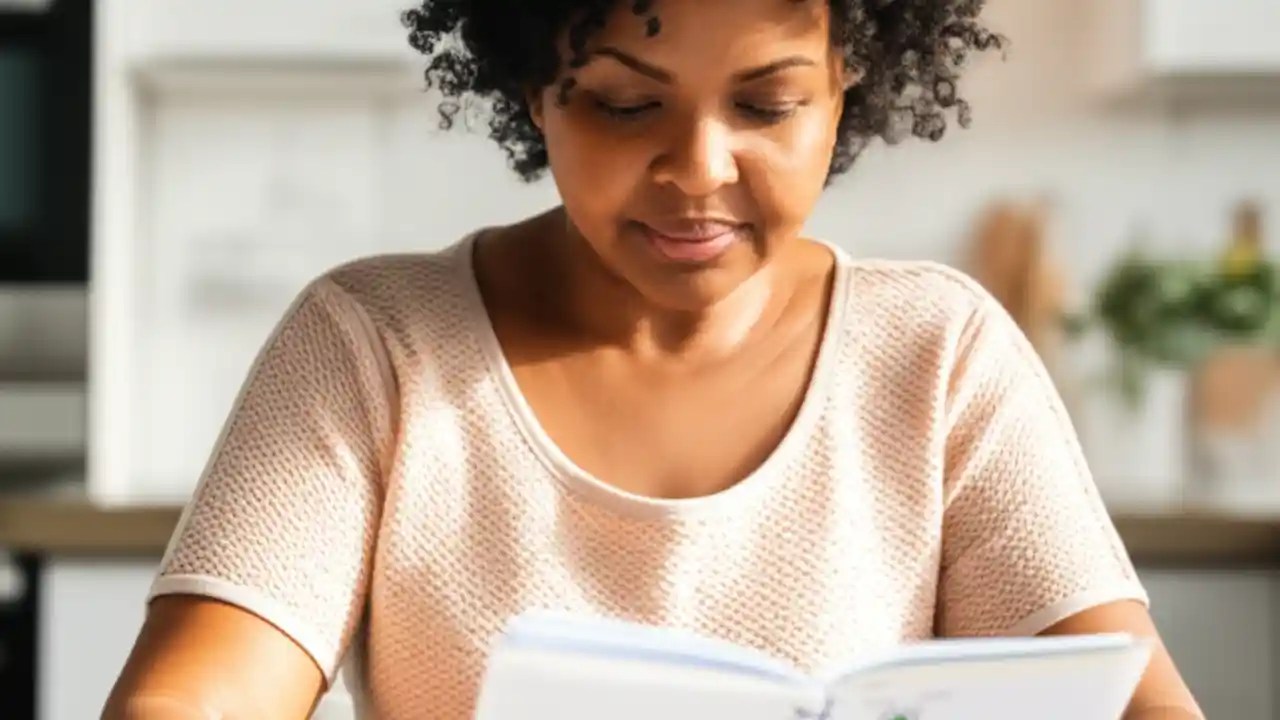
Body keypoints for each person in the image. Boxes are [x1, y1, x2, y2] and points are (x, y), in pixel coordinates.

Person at [104, 1, 1203, 718]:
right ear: (536, 90)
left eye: (766, 105)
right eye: (629, 105)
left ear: (843, 87)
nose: (697, 168)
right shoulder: (377, 344)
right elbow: (191, 699)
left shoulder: (937, 358)